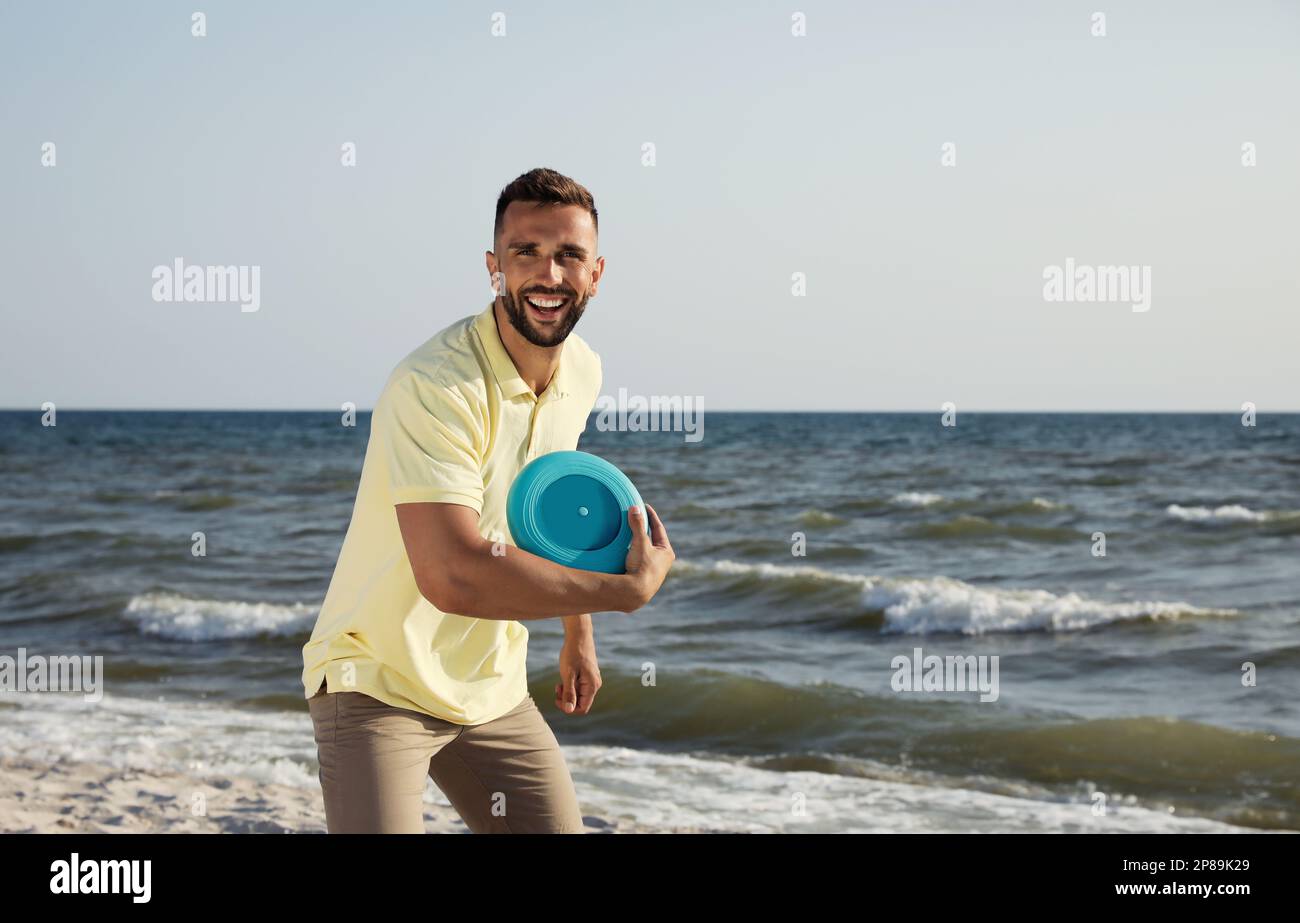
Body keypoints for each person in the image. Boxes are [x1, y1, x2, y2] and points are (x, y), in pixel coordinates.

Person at [300, 167, 675, 833]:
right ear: (493, 266)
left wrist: (578, 634)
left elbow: (550, 503)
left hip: (487, 682)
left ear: (597, 272)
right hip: (376, 679)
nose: (548, 275)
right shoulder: (437, 385)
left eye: (569, 255)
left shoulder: (583, 369)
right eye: (525, 252)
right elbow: (451, 572)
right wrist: (617, 592)